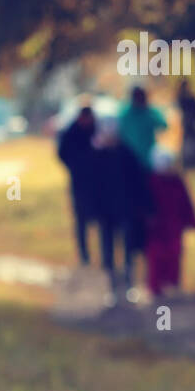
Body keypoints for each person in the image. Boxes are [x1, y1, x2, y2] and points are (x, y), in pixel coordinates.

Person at [89, 115, 155, 301]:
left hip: (126, 210)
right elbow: (92, 187)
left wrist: (145, 206)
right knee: (107, 251)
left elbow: (139, 182)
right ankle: (111, 288)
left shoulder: (126, 154)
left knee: (128, 249)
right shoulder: (97, 157)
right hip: (105, 213)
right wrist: (93, 210)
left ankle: (129, 285)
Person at [144, 146, 195, 298]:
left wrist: (191, 220)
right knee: (156, 257)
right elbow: (144, 205)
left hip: (175, 226)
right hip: (156, 229)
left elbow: (185, 203)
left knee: (174, 255)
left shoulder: (177, 181)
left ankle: (173, 283)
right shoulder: (150, 182)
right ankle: (155, 286)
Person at [56, 106, 98, 266]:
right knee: (81, 219)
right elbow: (61, 154)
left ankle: (101, 253)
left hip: (95, 181)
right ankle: (84, 254)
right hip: (79, 181)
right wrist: (75, 166)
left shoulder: (94, 129)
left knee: (97, 217)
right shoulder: (71, 132)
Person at [117, 84, 168, 168]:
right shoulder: (126, 114)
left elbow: (163, 125)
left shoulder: (149, 112)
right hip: (129, 155)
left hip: (147, 155)